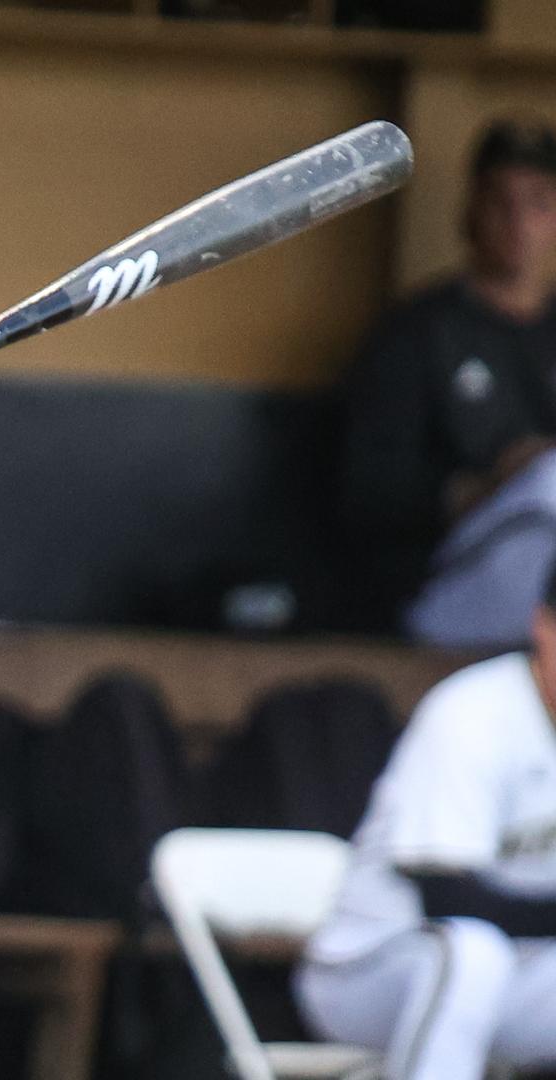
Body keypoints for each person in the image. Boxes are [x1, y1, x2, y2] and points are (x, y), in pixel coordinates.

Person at [295, 563, 556, 1080]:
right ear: (543, 625)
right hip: (372, 971)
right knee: (473, 955)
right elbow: (447, 898)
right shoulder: (474, 712)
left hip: (517, 974)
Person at [340, 120, 556, 648]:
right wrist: (485, 487)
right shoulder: (420, 332)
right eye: (500, 202)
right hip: (450, 583)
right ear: (471, 210)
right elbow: (363, 495)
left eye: (538, 203)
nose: (518, 223)